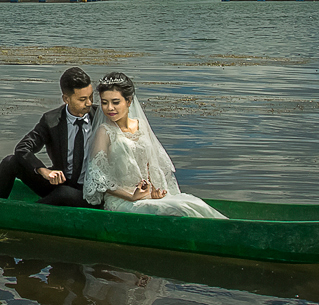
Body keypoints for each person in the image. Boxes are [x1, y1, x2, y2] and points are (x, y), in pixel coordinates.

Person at [81, 72, 228, 219]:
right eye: (104, 102)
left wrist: (155, 189)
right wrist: (131, 196)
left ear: (129, 101)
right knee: (180, 209)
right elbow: (97, 177)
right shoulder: (104, 131)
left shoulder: (141, 125)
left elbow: (151, 163)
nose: (109, 108)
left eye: (115, 102)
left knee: (195, 203)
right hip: (122, 201)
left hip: (146, 197)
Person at [0, 67, 99, 208]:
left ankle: (28, 213)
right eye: (83, 99)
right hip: (58, 184)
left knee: (64, 193)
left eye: (91, 97)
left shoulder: (100, 117)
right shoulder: (51, 120)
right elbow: (23, 148)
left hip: (89, 192)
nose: (89, 103)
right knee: (9, 162)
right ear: (66, 99)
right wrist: (43, 171)